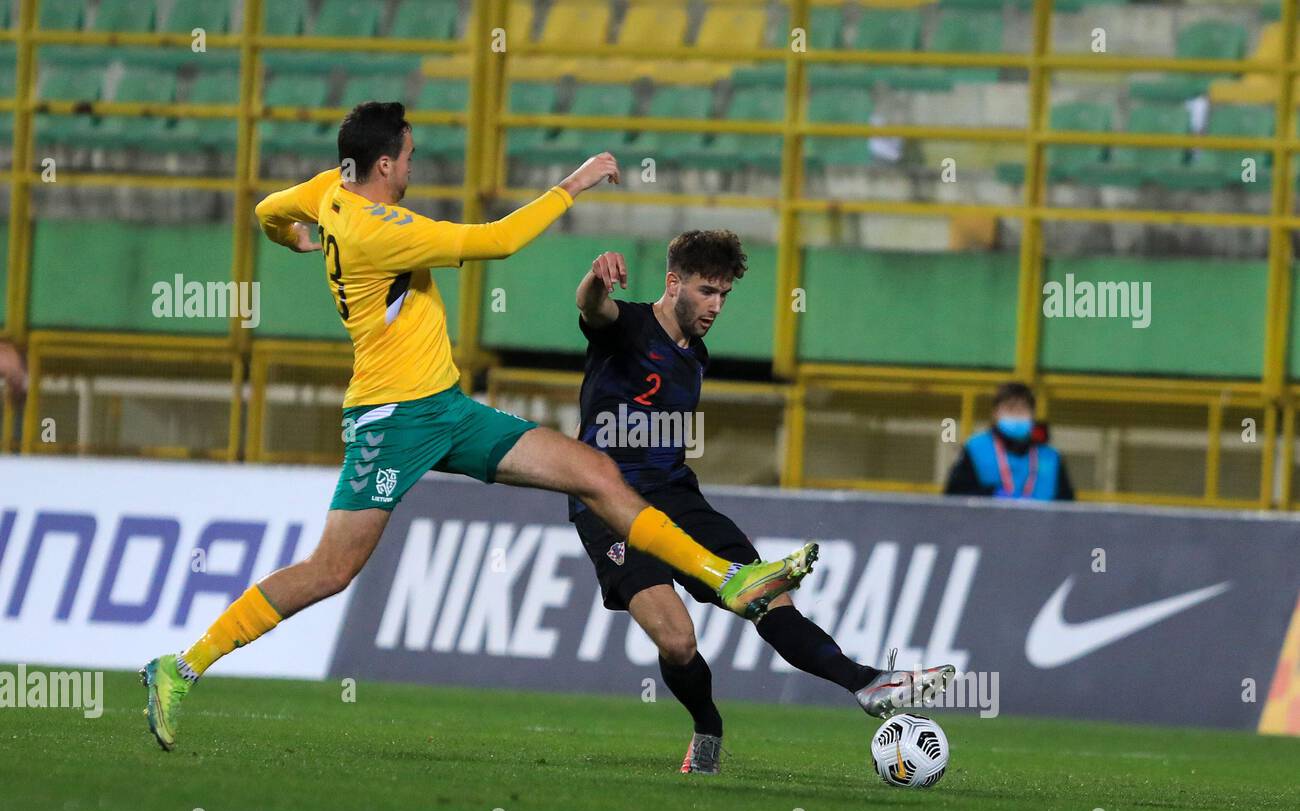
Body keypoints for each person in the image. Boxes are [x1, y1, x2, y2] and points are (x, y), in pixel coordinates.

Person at [139, 102, 819, 752]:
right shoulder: (383, 229)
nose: (412, 167)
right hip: (393, 419)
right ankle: (182, 666)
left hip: (448, 408)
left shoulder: (328, 191)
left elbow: (265, 210)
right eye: (406, 157)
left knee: (595, 473)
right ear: (380, 166)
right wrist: (575, 183)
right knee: (330, 571)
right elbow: (497, 241)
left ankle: (724, 577)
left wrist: (291, 238)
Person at [571, 233, 955, 774]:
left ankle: (867, 683)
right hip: (609, 503)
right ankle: (707, 725)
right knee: (679, 641)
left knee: (766, 595)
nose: (716, 306)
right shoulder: (629, 326)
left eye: (724, 295)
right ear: (672, 282)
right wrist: (595, 276)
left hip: (678, 497)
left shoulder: (694, 355)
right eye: (707, 292)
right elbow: (592, 307)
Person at [944, 381, 1075, 501]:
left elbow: (1067, 504)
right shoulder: (975, 448)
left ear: (1033, 414)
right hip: (986, 524)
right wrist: (991, 495)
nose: (1016, 415)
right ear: (995, 414)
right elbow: (954, 495)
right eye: (1010, 409)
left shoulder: (1051, 456)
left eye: (1022, 409)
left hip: (1040, 525)